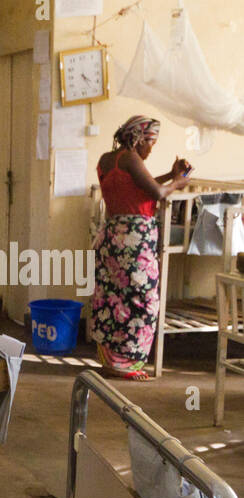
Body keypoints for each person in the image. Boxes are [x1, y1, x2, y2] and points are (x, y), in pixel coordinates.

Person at [93, 116, 193, 381]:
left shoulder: (108, 159)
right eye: (151, 143)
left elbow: (140, 185)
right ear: (139, 138)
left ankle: (111, 360)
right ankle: (127, 364)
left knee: (113, 299)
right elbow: (158, 193)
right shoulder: (130, 158)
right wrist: (178, 184)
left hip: (112, 239)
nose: (151, 150)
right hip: (133, 242)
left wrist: (171, 175)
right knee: (144, 300)